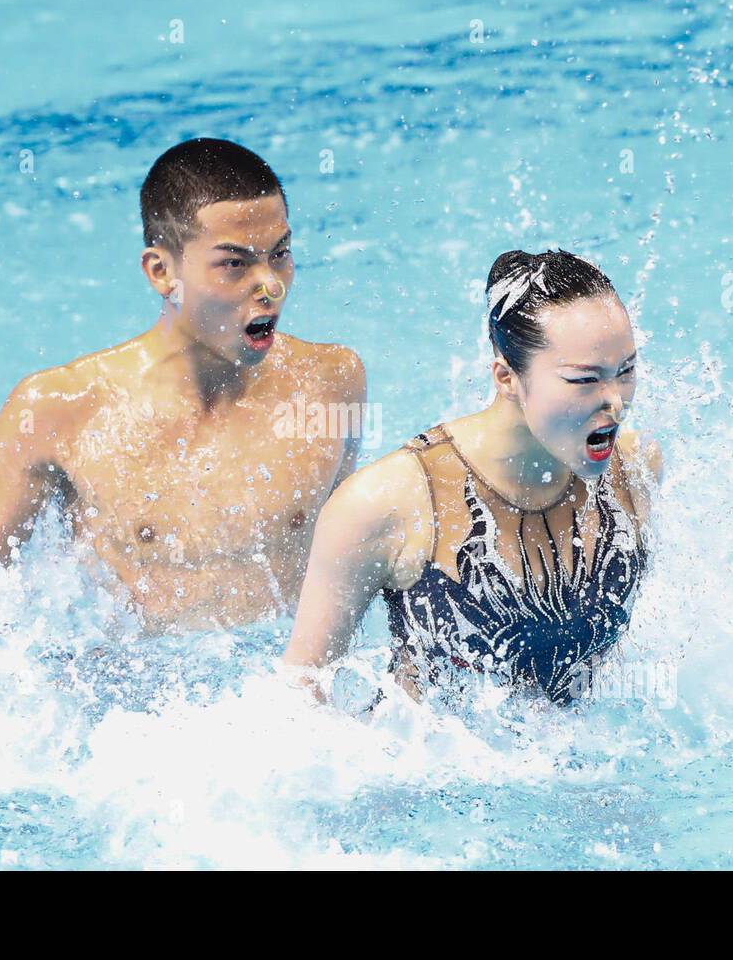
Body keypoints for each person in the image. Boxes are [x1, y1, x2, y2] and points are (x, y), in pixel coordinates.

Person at [0, 138, 365, 633]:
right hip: (133, 702)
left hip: (275, 702)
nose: (271, 285)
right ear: (162, 272)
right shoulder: (58, 409)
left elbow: (342, 568)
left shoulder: (330, 382)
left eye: (280, 253)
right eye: (235, 264)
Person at [282, 249, 661, 703]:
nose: (616, 403)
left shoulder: (635, 471)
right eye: (584, 381)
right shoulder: (385, 505)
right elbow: (299, 702)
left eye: (626, 372)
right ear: (506, 377)